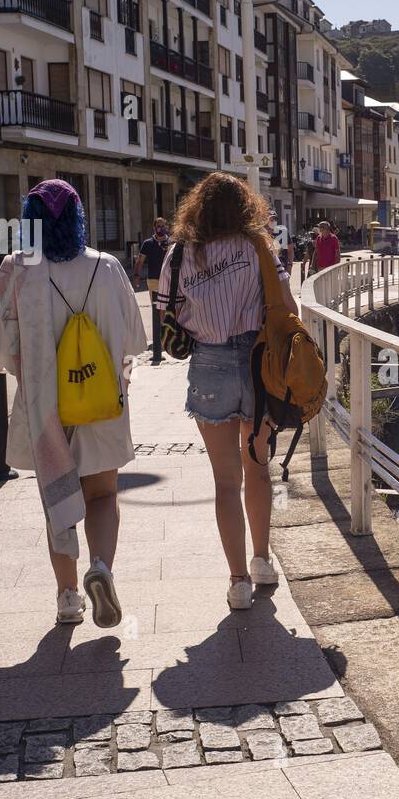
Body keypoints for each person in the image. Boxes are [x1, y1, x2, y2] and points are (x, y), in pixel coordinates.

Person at [0, 180, 148, 627]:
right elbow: (134, 338)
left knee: (57, 497)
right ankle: (100, 566)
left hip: (47, 409)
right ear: (79, 217)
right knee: (102, 494)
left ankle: (67, 598)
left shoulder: (18, 269)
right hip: (99, 399)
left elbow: (3, 351)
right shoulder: (107, 266)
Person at [157, 172, 297, 609]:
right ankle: (261, 560)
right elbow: (288, 309)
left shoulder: (180, 255)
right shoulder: (259, 248)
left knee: (224, 482)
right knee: (257, 468)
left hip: (210, 364)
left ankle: (237, 582)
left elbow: (165, 313)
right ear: (246, 207)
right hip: (258, 365)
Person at [134, 217, 170, 302]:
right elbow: (140, 261)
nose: (160, 228)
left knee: (169, 309)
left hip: (169, 280)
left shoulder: (171, 242)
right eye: (158, 226)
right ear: (154, 228)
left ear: (166, 227)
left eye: (163, 226)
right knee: (156, 307)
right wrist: (136, 276)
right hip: (153, 281)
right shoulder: (148, 243)